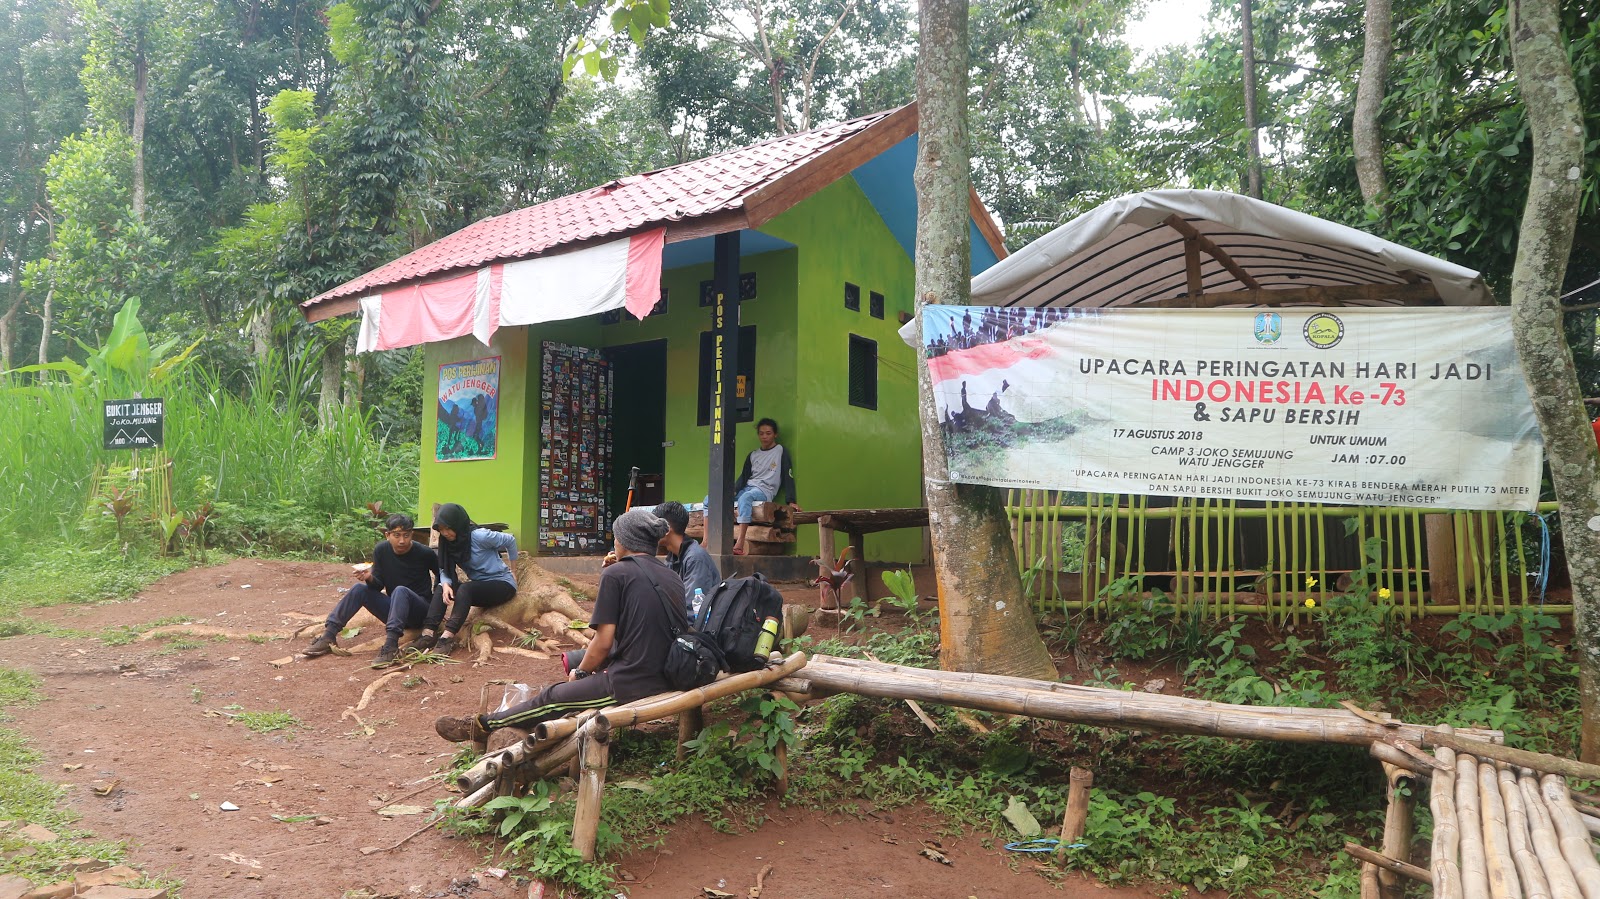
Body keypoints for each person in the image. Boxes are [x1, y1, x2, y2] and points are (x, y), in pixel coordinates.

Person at [434, 508, 687, 743]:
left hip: (636, 680)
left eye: (616, 538)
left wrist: (583, 673)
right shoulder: (671, 575)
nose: (614, 543)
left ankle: (482, 725)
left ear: (624, 542)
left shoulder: (616, 574)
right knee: (574, 665)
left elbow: (603, 642)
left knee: (552, 697)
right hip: (668, 670)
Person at [304, 513, 440, 668]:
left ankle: (391, 646)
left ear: (412, 534)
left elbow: (443, 578)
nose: (402, 540)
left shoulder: (425, 553)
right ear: (387, 535)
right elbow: (377, 586)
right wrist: (369, 577)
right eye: (397, 535)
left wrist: (435, 610)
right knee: (359, 589)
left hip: (419, 611)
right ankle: (328, 636)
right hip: (395, 611)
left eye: (406, 535)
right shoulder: (381, 550)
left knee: (401, 591)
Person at [431, 503, 519, 657]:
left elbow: (510, 541)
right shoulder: (448, 543)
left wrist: (513, 570)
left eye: (448, 528)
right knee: (442, 585)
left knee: (466, 588)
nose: (445, 533)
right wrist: (445, 583)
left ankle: (448, 636)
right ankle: (428, 633)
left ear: (457, 524)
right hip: (480, 589)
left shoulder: (479, 536)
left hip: (503, 584)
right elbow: (444, 569)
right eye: (441, 529)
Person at [731, 418, 801, 555]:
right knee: (712, 500)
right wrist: (731, 491)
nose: (764, 436)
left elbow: (788, 475)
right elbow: (744, 477)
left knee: (745, 497)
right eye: (761, 433)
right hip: (748, 487)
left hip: (764, 491)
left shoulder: (780, 451)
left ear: (775, 434)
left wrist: (791, 500)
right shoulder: (753, 455)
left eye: (768, 433)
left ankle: (740, 541)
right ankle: (707, 541)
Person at [653, 500, 721, 616]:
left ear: (667, 529)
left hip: (697, 631)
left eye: (654, 526)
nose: (651, 532)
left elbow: (692, 610)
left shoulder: (695, 559)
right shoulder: (673, 557)